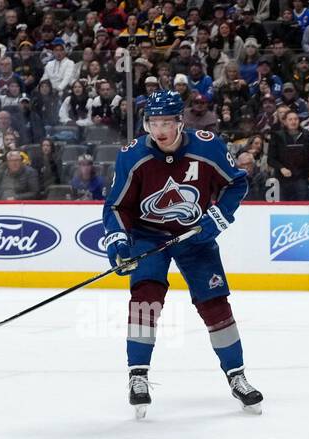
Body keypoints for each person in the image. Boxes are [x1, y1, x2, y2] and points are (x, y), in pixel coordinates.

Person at [102, 90, 261, 419]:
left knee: (215, 304)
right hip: (148, 237)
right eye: (153, 122)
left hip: (195, 237)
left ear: (180, 123)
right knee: (145, 299)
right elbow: (116, 205)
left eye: (166, 122)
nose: (159, 130)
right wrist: (118, 242)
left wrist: (216, 219)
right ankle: (138, 377)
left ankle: (237, 376)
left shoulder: (207, 145)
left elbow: (236, 183)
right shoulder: (132, 156)